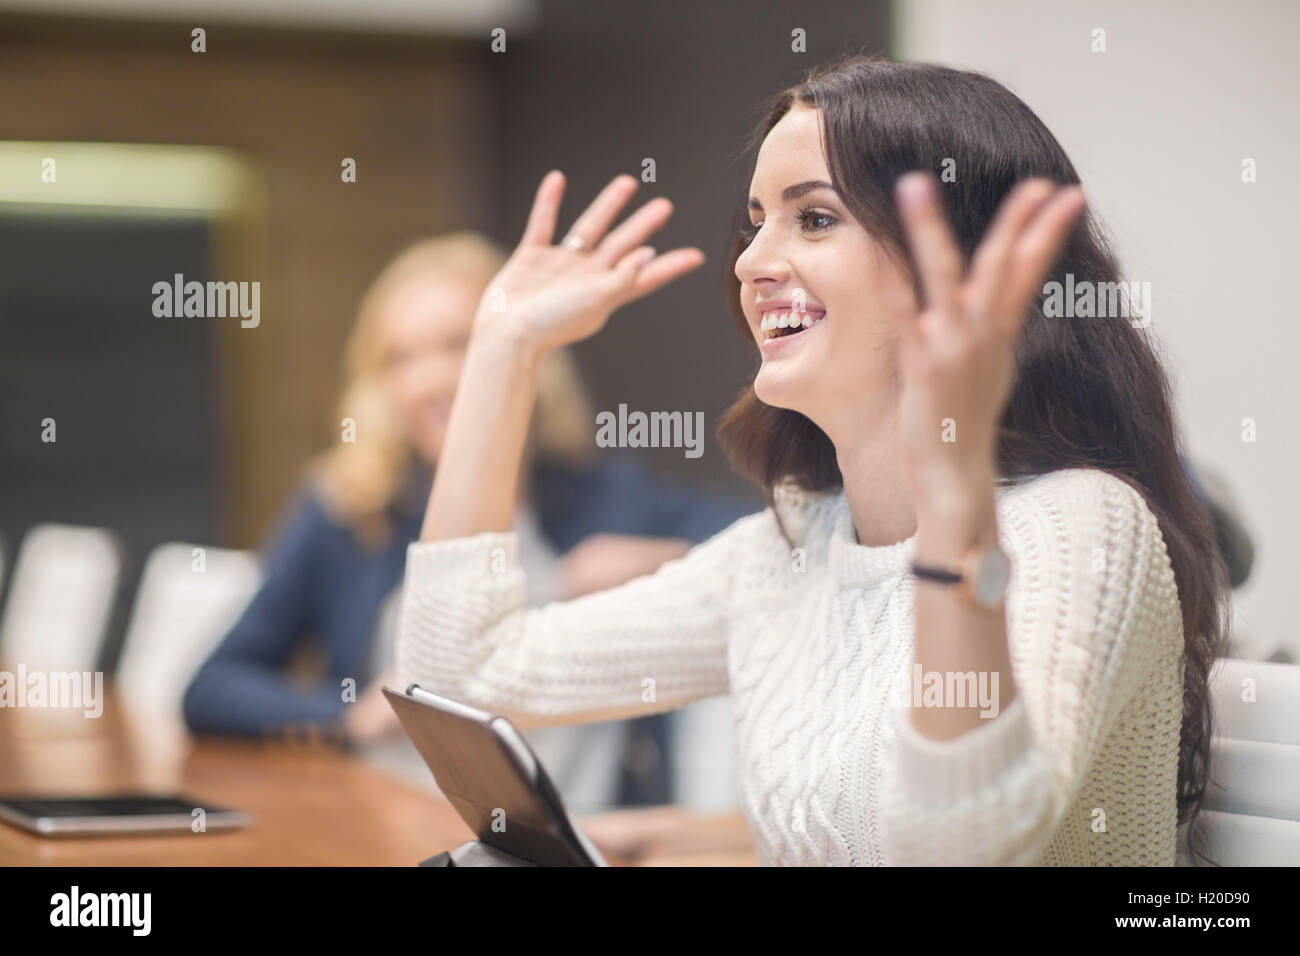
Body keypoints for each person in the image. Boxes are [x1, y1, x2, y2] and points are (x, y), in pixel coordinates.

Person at [392, 53, 1231, 866]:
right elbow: (463, 678)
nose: (752, 263)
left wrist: (952, 501)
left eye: (815, 218)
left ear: (962, 269)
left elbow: (960, 850)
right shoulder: (789, 550)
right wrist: (503, 345)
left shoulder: (1082, 524)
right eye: (756, 224)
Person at [181, 234, 754, 812]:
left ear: (524, 352)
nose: (429, 380)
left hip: (576, 835)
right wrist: (350, 716)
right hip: (390, 820)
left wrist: (666, 557)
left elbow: (781, 536)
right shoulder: (349, 511)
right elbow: (212, 688)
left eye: (459, 345)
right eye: (401, 359)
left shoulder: (610, 497)